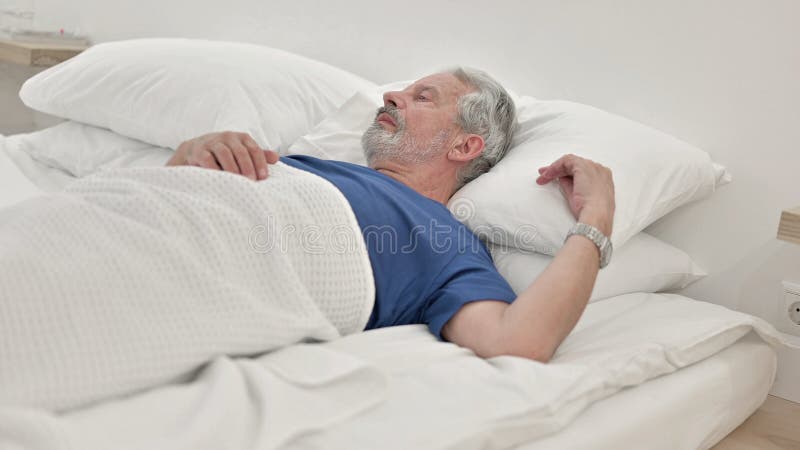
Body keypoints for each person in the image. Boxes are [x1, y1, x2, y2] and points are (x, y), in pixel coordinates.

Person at [166, 67, 615, 363]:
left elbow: (515, 341)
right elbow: (165, 199)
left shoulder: (446, 242)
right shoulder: (301, 162)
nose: (391, 95)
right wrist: (192, 157)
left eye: (423, 97)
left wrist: (596, 217)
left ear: (464, 146)